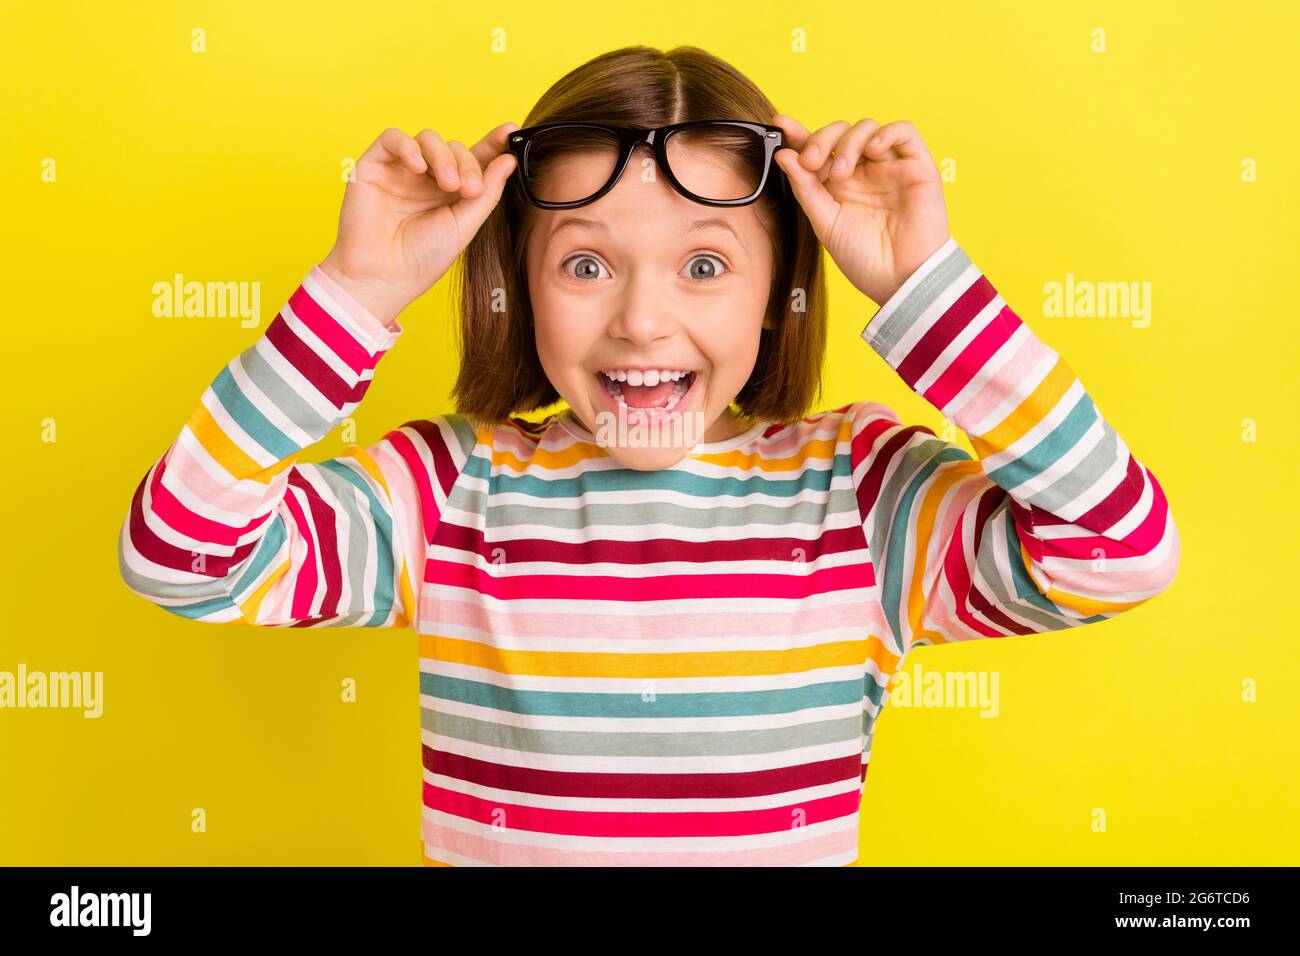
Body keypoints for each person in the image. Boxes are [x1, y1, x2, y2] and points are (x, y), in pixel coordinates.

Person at [118, 45, 1180, 866]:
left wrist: (924, 286)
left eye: (704, 265)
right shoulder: (449, 493)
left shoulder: (858, 493)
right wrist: (355, 293)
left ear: (775, 295)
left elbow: (1120, 553)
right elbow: (182, 556)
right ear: (518, 287)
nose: (640, 320)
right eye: (585, 265)